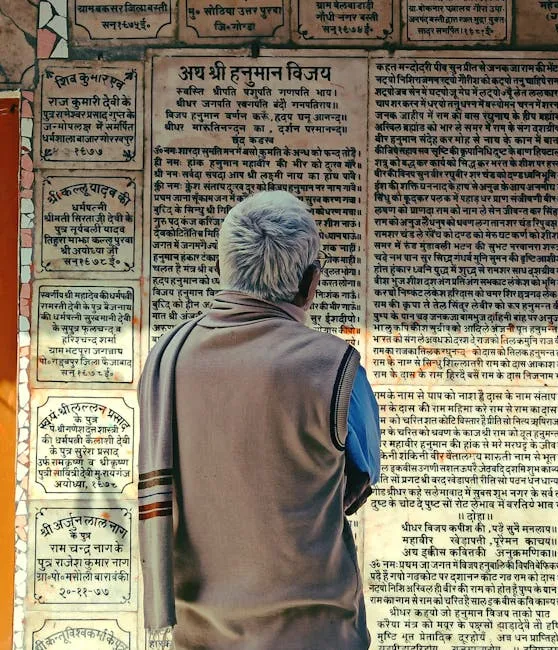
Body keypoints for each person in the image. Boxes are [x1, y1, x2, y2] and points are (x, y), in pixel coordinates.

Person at [137, 191, 380, 649]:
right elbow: (359, 480)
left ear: (221, 274)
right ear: (311, 284)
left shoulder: (166, 359)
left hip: (200, 635)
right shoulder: (336, 366)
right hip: (318, 635)